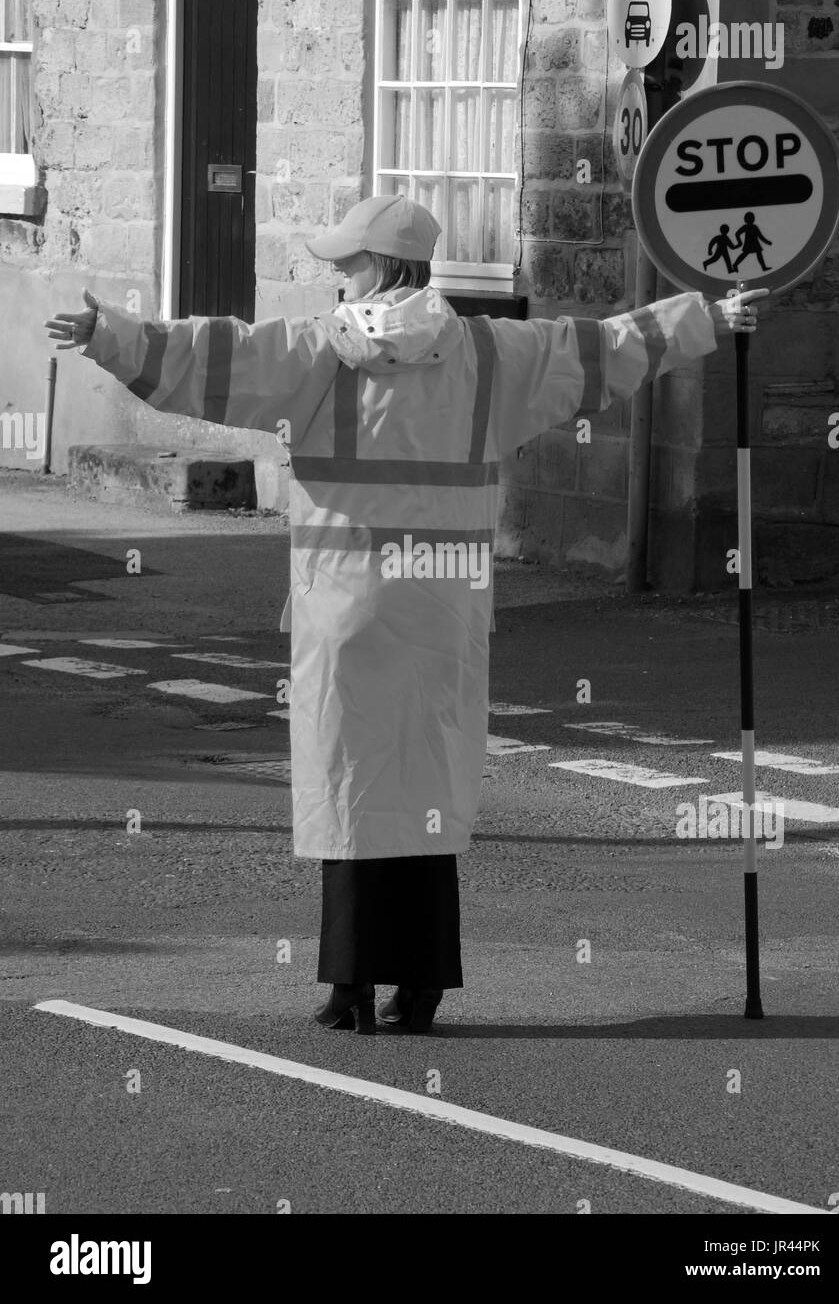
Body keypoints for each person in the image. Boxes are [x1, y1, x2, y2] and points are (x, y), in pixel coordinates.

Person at [46, 194, 768, 1035]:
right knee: (428, 783)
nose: (337, 279)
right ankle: (419, 987)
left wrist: (111, 335)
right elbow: (606, 349)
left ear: (378, 267)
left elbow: (216, 359)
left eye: (346, 265)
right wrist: (711, 316)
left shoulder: (321, 351)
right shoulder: (493, 356)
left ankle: (347, 988)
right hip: (444, 608)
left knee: (349, 787)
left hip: (345, 604)